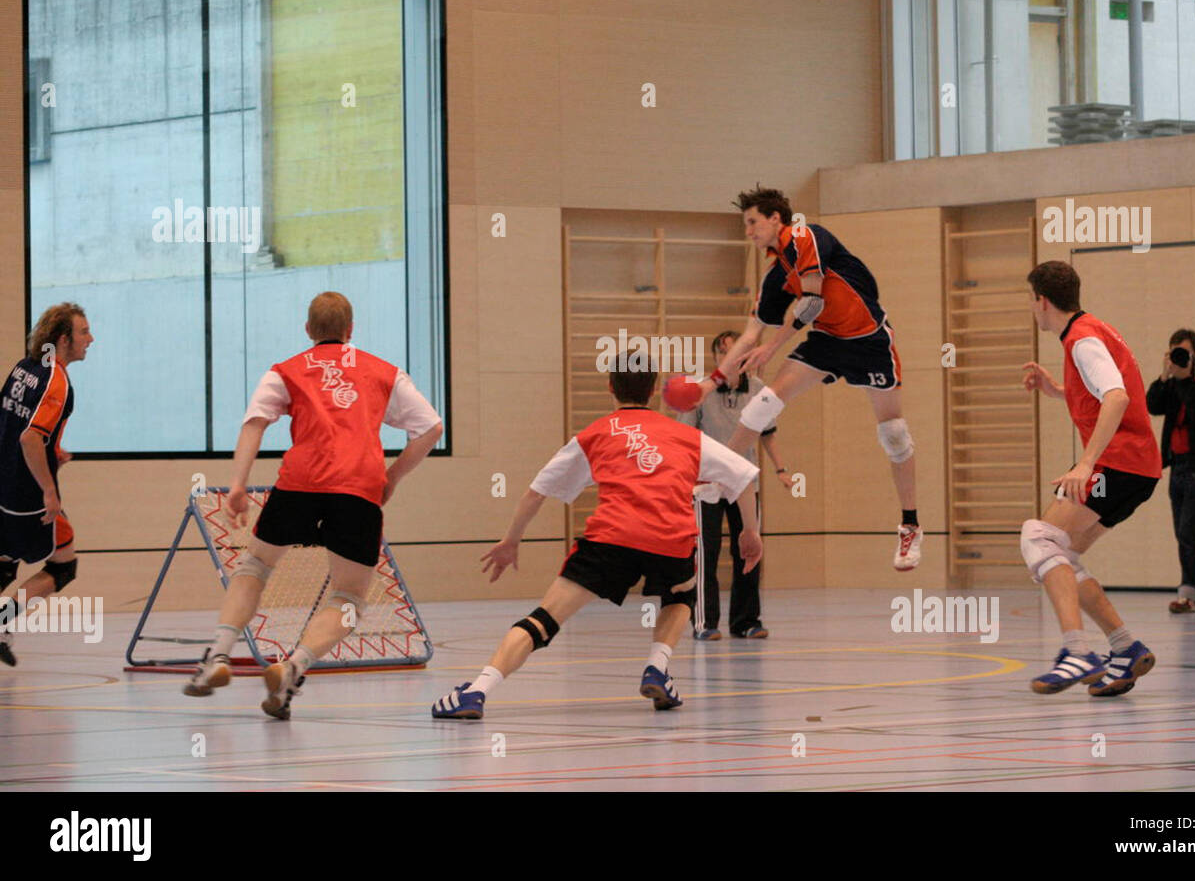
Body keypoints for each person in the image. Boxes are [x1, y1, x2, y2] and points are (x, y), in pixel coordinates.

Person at [431, 355, 761, 720]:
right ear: (653, 391)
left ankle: (477, 691)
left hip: (612, 539)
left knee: (544, 619)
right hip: (671, 539)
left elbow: (536, 492)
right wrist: (750, 531)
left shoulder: (593, 435)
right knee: (681, 592)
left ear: (610, 388)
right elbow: (743, 476)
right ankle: (657, 667)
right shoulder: (687, 436)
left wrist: (511, 541)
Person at [182, 292, 442, 718]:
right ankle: (293, 667)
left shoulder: (286, 371)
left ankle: (217, 656)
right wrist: (391, 479)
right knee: (348, 598)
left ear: (308, 330)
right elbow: (431, 428)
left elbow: (254, 424)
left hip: (299, 486)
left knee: (254, 567)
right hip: (358, 492)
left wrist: (237, 485)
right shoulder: (384, 372)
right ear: (351, 331)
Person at [675, 186, 922, 571]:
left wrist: (772, 349)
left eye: (752, 222)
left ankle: (910, 526)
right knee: (765, 403)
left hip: (869, 339)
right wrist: (712, 381)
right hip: (827, 342)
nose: (749, 232)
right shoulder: (776, 277)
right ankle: (720, 475)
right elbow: (749, 333)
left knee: (893, 434)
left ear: (776, 218)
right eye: (746, 225)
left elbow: (812, 302)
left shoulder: (805, 235)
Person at [1020, 261, 1161, 697]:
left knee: (1038, 538)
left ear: (1042, 301)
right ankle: (1125, 647)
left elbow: (1116, 398)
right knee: (1062, 555)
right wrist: (1058, 390)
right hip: (1139, 468)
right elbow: (1108, 390)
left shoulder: (1081, 340)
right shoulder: (1093, 329)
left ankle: (1077, 651)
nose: (1032, 309)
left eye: (1031, 301)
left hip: (1117, 464)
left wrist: (1085, 464)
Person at [676, 330, 792, 640]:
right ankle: (705, 623)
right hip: (707, 485)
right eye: (725, 354)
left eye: (739, 353)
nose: (733, 360)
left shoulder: (758, 390)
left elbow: (768, 433)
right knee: (707, 552)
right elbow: (687, 440)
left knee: (749, 550)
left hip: (744, 483)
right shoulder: (701, 392)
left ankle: (746, 621)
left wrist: (781, 470)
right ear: (717, 359)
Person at [0, 304, 94, 667]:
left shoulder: (24, 368)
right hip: (29, 498)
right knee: (63, 567)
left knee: (5, 564)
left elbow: (12, 424)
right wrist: (50, 492)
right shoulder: (57, 380)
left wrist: (52, 452)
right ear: (64, 339)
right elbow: (29, 438)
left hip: (5, 486)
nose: (91, 339)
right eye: (84, 332)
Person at [1145, 329, 1195, 613]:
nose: (1179, 359)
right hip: (1178, 466)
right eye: (1174, 353)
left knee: (1188, 530)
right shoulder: (1173, 384)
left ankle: (1189, 593)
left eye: (1184, 354)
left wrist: (1184, 380)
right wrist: (1165, 375)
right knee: (1188, 533)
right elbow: (1151, 405)